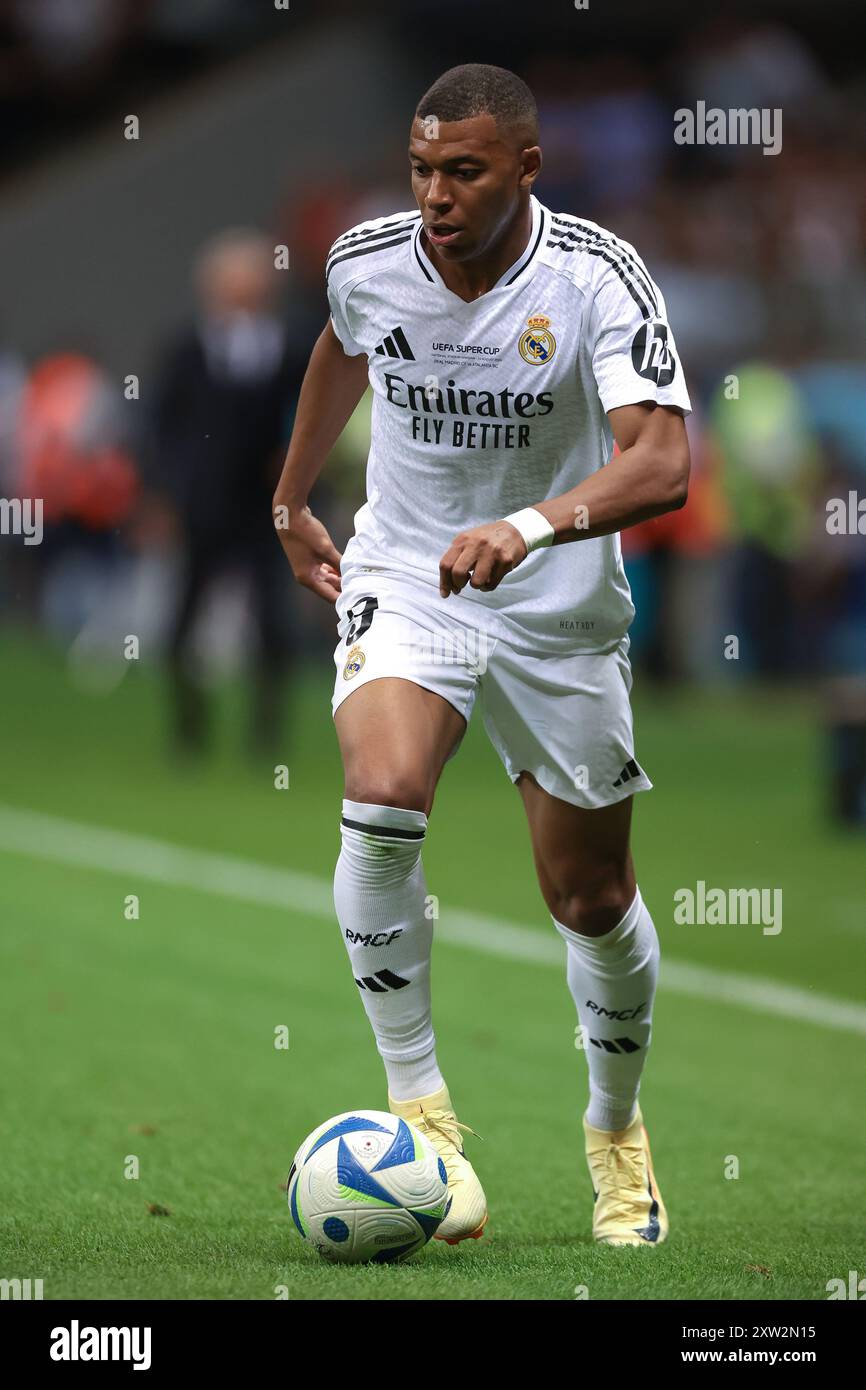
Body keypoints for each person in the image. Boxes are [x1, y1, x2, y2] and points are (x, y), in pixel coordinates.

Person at [273, 64, 691, 1247]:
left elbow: (660, 464)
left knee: (590, 896)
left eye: (461, 171)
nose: (434, 195)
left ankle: (615, 1136)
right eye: (420, 171)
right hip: (410, 570)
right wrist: (290, 497)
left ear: (525, 168)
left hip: (552, 595)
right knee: (382, 791)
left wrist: (530, 525)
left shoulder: (595, 277)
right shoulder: (367, 260)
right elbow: (342, 348)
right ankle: (423, 1115)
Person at [152, 229, 301, 756]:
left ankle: (267, 735)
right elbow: (163, 428)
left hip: (266, 509)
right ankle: (189, 729)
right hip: (204, 506)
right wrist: (166, 497)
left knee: (272, 623)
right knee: (183, 623)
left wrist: (296, 468)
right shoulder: (187, 350)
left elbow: (305, 419)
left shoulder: (289, 349)